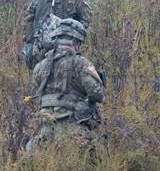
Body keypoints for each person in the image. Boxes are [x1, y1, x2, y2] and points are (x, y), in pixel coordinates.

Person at [26, 19, 104, 153]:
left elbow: (37, 90)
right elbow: (96, 94)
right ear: (76, 41)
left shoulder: (41, 65)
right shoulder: (80, 63)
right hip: (72, 128)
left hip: (44, 128)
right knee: (99, 148)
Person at [20, 0, 93, 69]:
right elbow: (87, 18)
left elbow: (27, 22)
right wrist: (74, 35)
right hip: (65, 51)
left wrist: (31, 43)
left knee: (39, 81)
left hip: (39, 51)